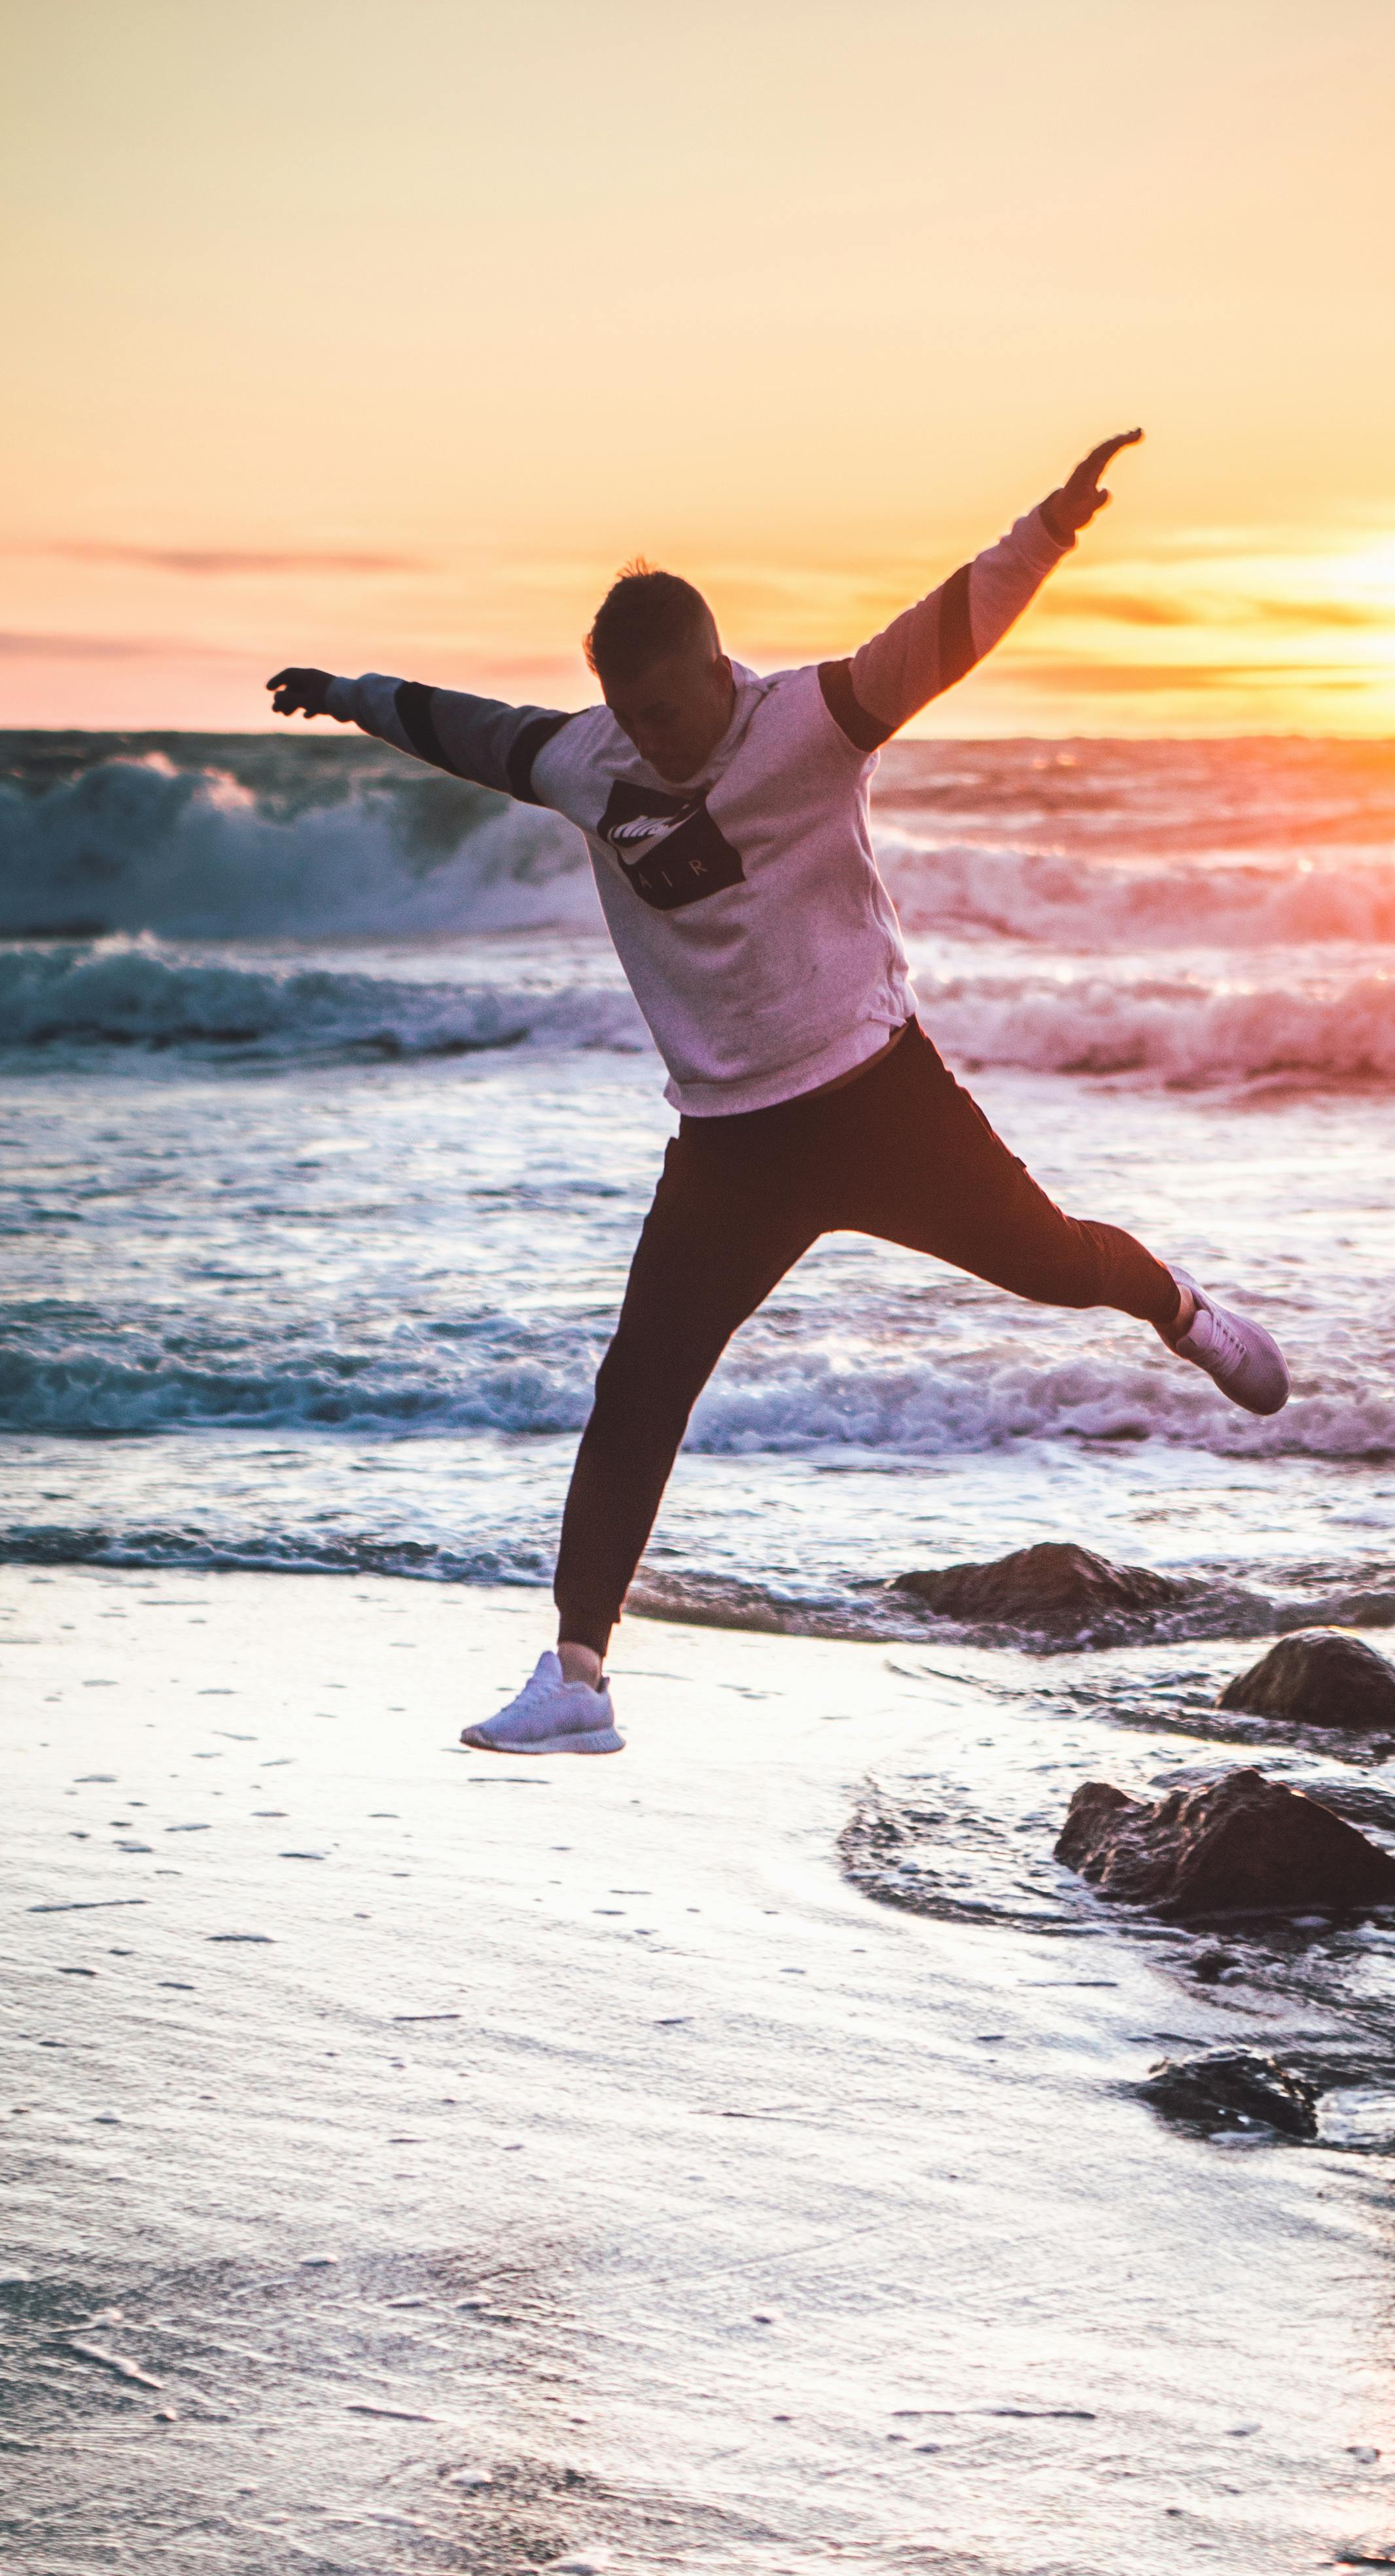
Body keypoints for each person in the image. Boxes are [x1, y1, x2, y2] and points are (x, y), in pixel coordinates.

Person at [268, 432, 1288, 1757]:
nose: (652, 739)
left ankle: (1179, 1307)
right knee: (638, 1389)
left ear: (716, 668)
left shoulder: (809, 724)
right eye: (629, 715)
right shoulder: (590, 762)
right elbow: (466, 730)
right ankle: (577, 1677)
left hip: (878, 1103)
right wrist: (347, 692)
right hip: (728, 1147)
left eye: (669, 711)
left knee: (1049, 1262)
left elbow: (944, 631)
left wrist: (1046, 527)